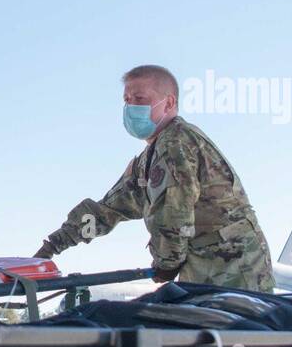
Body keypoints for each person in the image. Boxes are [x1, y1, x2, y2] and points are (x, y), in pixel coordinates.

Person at [35, 64, 274, 292]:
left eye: (139, 99)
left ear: (168, 103)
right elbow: (106, 211)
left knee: (239, 334)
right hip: (201, 264)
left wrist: (166, 264)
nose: (130, 107)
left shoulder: (176, 143)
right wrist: (51, 248)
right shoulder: (148, 160)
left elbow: (173, 212)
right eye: (127, 101)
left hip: (234, 263)